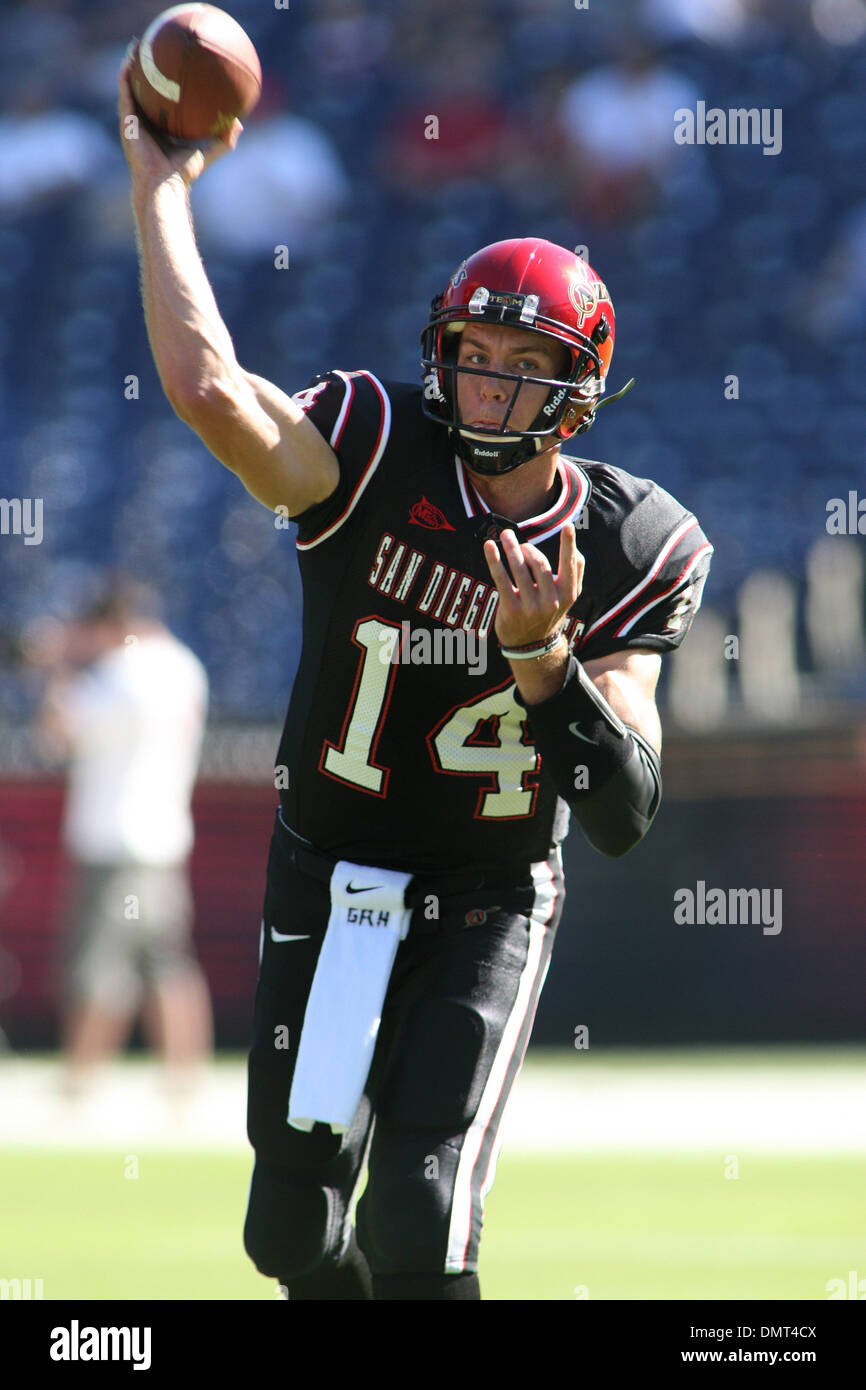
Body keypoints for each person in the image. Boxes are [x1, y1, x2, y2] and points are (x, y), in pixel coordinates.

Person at [118, 60, 712, 1300]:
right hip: (330, 863)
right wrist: (159, 188)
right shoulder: (370, 446)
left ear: (575, 392)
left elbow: (622, 812)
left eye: (517, 361)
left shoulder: (631, 544)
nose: (485, 382)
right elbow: (206, 391)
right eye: (470, 351)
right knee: (289, 1232)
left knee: (421, 1211)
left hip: (487, 892)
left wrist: (545, 660)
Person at [35, 580, 212, 1099]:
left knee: (101, 964)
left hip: (115, 841)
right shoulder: (183, 666)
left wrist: (57, 670)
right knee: (168, 962)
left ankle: (80, 1077)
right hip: (164, 838)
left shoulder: (120, 674)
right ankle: (184, 1079)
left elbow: (58, 734)